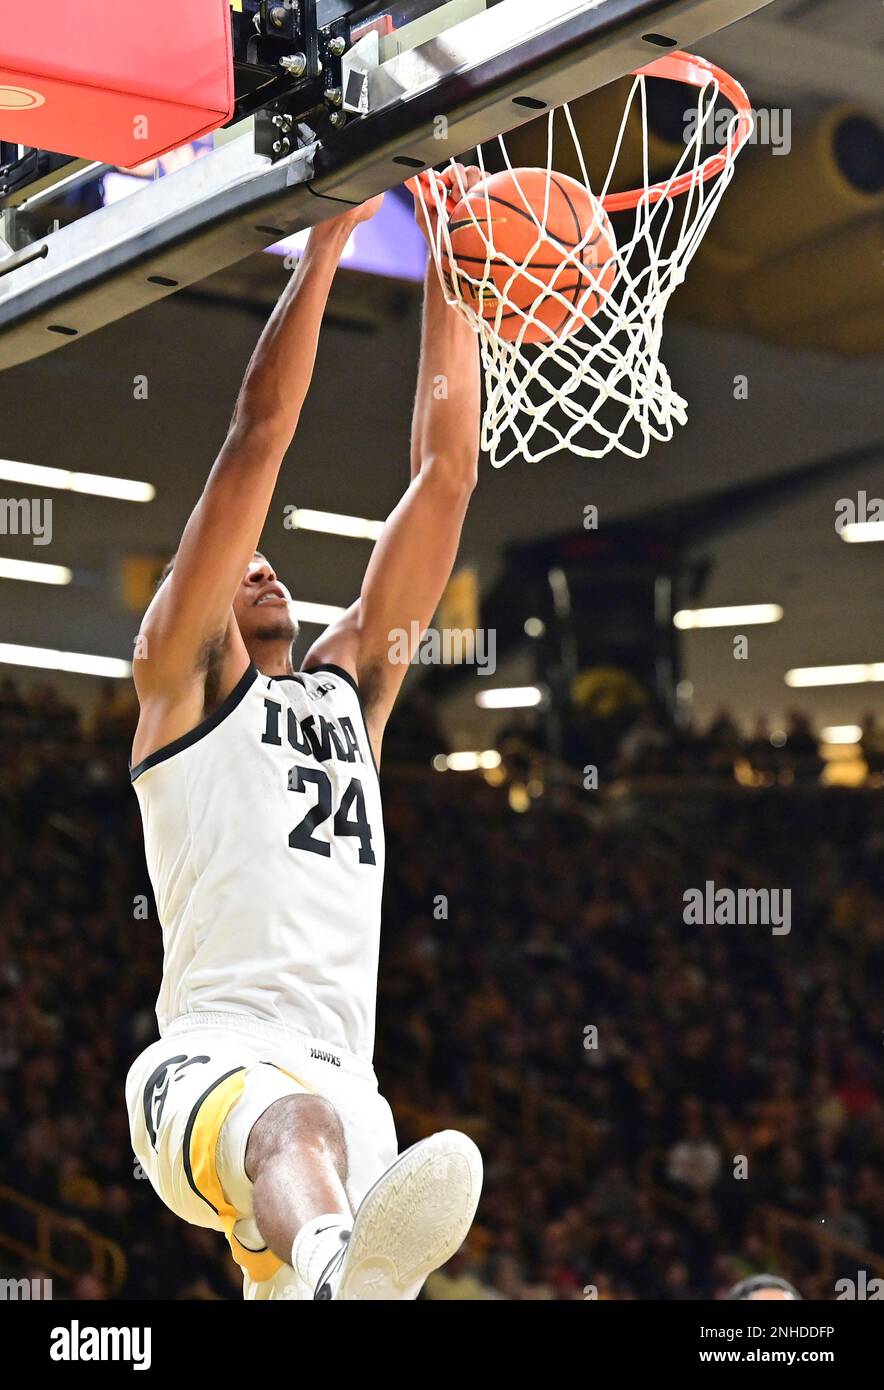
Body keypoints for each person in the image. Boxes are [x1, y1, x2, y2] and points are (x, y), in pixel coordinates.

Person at [124, 171, 484, 1300]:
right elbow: (256, 437)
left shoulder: (348, 696)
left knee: (317, 1137)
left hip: (349, 1094)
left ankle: (322, 1271)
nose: (260, 561)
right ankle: (329, 1264)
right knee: (294, 1132)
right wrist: (323, 250)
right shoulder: (176, 682)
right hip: (215, 1061)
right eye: (237, 565)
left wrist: (456, 265)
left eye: (272, 557)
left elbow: (444, 476)